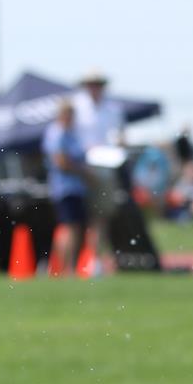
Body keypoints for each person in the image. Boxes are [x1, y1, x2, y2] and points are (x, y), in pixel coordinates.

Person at [70, 72, 123, 273]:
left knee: (100, 216)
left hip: (104, 167)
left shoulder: (112, 109)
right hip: (79, 168)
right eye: (91, 84)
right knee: (75, 219)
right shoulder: (76, 107)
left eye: (98, 84)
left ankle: (94, 260)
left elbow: (117, 137)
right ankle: (74, 265)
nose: (95, 88)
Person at [42, 100, 89, 276]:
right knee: (68, 228)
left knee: (74, 228)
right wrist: (84, 172)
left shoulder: (69, 133)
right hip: (65, 188)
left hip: (75, 188)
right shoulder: (57, 133)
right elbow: (60, 161)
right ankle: (63, 268)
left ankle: (68, 267)